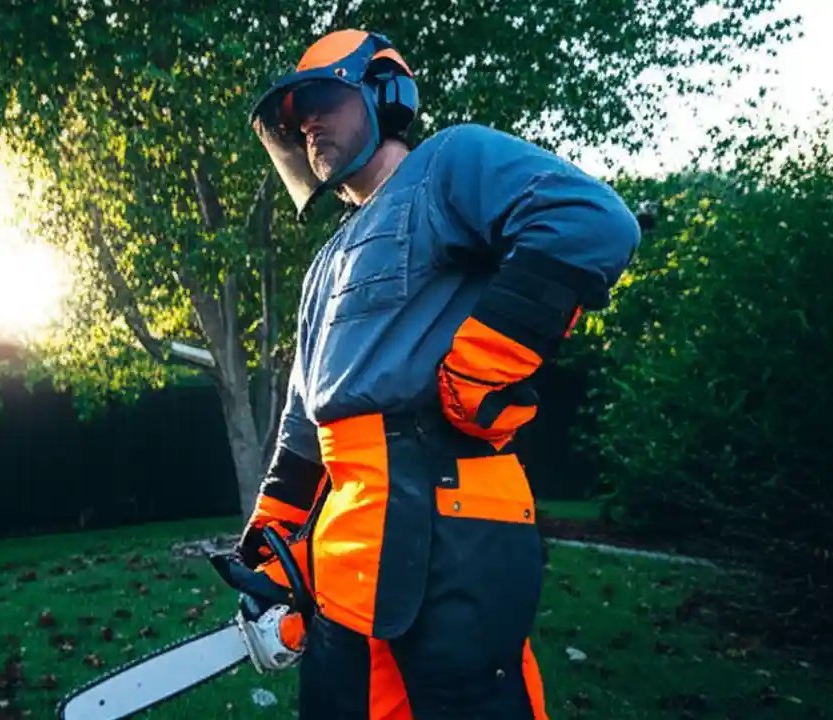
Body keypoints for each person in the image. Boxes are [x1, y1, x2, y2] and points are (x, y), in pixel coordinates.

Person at [233, 29, 641, 718]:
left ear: (384, 94)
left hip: (457, 519)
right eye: (298, 120)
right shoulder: (324, 265)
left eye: (324, 102)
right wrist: (267, 544)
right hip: (352, 537)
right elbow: (306, 424)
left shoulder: (450, 164)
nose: (310, 126)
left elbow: (591, 222)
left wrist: (484, 364)